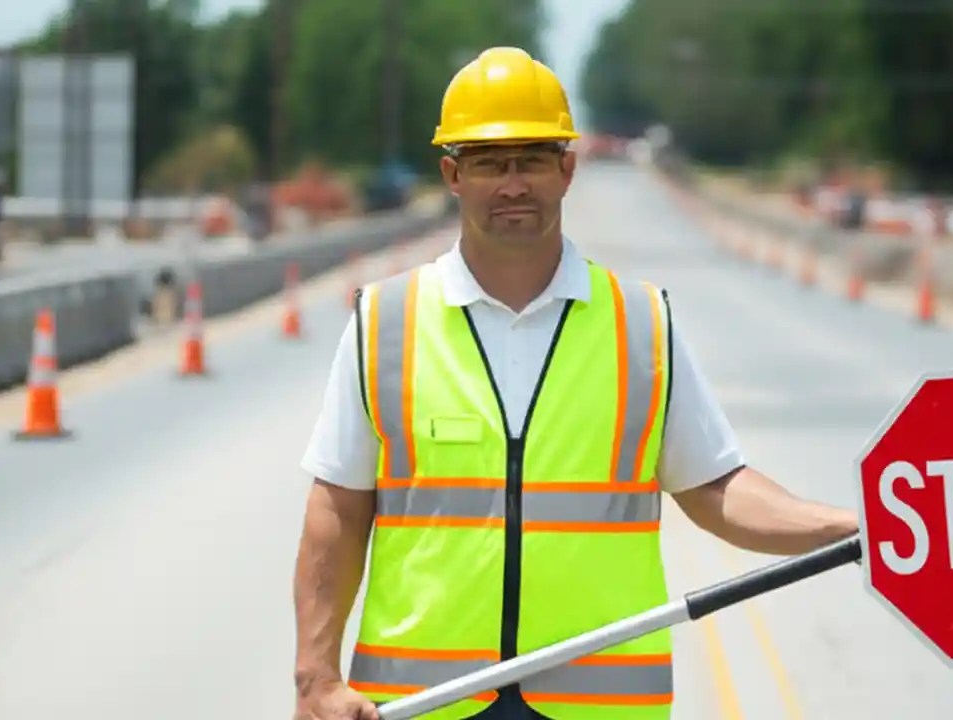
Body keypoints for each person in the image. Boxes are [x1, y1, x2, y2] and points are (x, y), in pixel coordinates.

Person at [292, 46, 859, 720]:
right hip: (423, 705)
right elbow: (337, 511)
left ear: (567, 169)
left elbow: (716, 488)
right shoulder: (385, 324)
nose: (512, 184)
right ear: (451, 174)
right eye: (488, 162)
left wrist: (849, 528)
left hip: (598, 706)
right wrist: (316, 679)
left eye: (531, 158)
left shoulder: (639, 325)